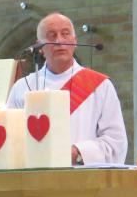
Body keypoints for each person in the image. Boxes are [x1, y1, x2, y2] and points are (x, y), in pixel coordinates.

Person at [7, 12, 128, 165]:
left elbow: (116, 142)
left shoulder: (100, 86)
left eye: (65, 34)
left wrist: (77, 153)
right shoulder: (22, 87)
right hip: (35, 178)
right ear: (40, 47)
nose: (59, 41)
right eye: (51, 36)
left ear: (75, 41)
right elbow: (11, 140)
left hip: (83, 179)